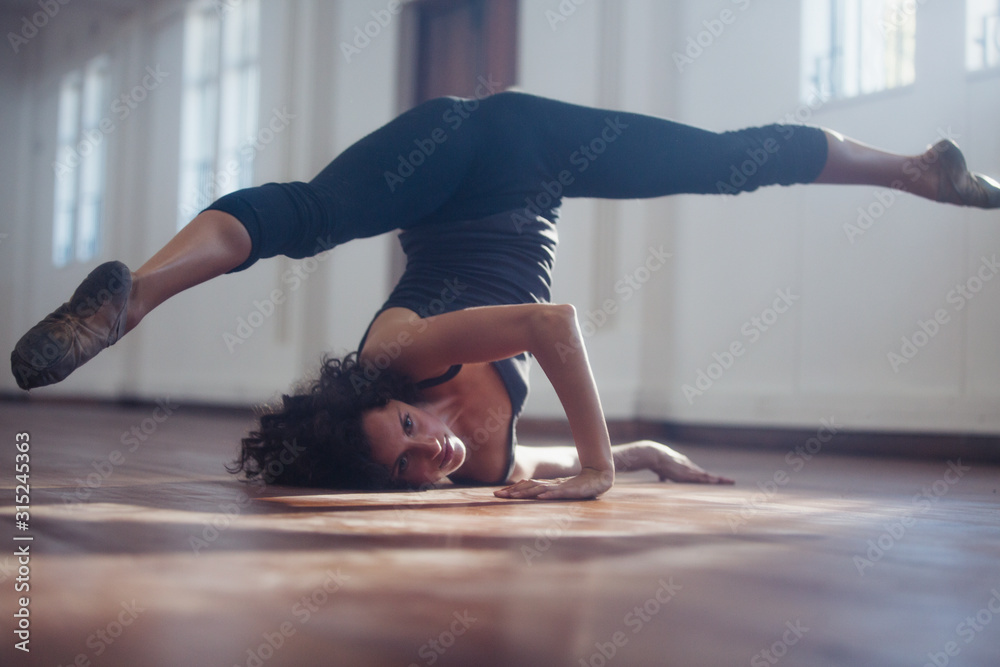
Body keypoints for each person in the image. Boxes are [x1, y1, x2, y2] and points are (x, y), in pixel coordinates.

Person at [10, 91, 999, 500]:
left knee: (309, 216)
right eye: (416, 462)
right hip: (538, 166)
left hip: (464, 152)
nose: (430, 440)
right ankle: (915, 168)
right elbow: (555, 450)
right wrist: (646, 456)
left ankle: (132, 298)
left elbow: (549, 324)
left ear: (375, 396)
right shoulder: (482, 464)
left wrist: (600, 470)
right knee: (727, 162)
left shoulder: (399, 352)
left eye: (404, 424)